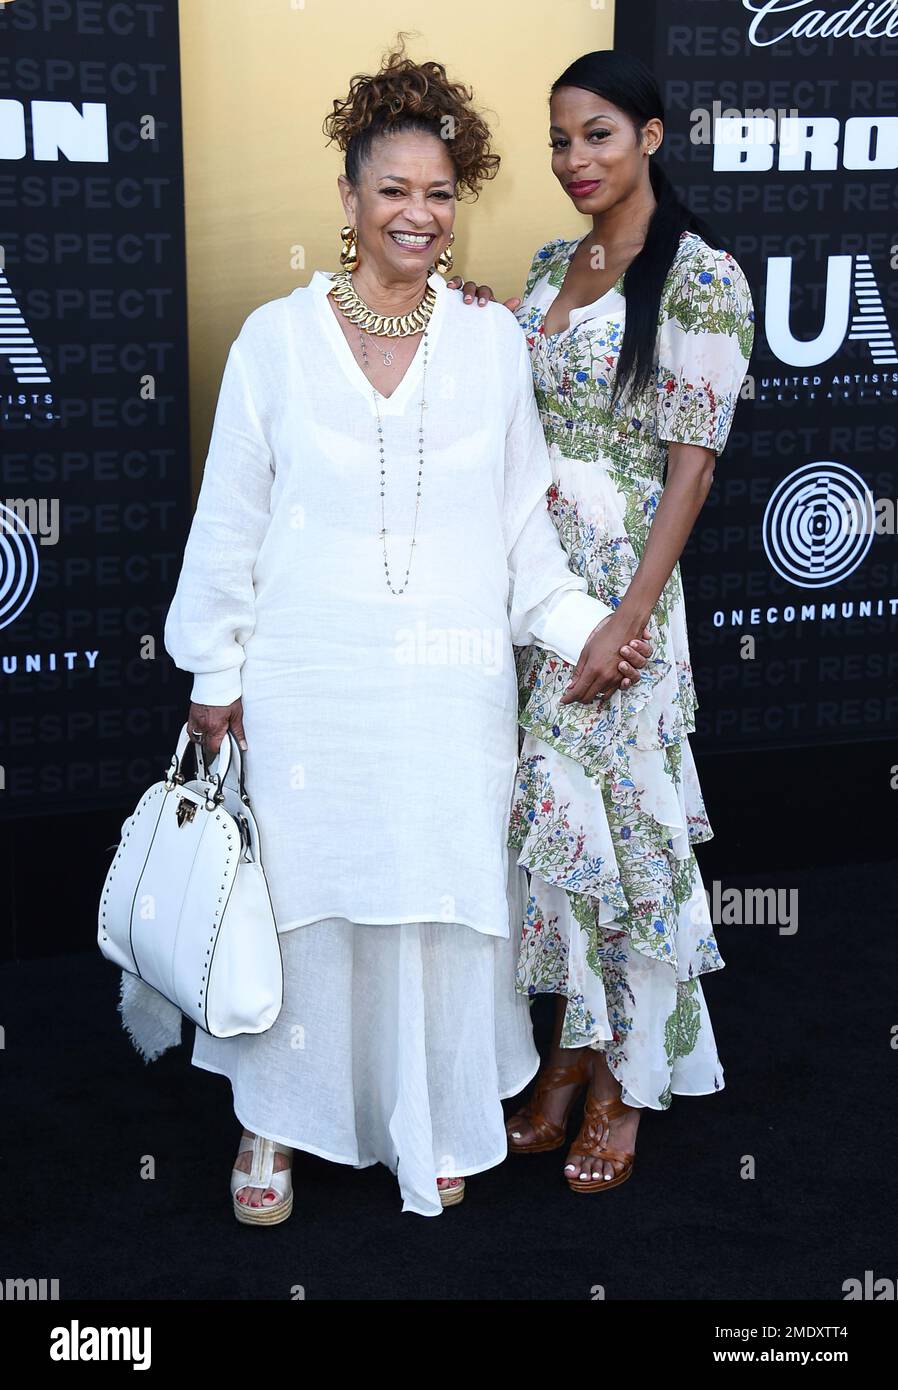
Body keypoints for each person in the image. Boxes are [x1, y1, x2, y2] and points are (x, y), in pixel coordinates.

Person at [117, 40, 653, 1221]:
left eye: (440, 192)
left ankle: (435, 1109)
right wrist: (214, 664)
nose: (419, 213)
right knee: (310, 901)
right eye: (394, 190)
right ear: (349, 199)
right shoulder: (273, 341)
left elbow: (524, 534)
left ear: (460, 207)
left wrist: (586, 628)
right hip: (310, 682)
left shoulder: (489, 344)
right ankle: (273, 1124)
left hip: (451, 689)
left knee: (436, 903)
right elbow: (232, 518)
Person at [447, 49, 755, 1193]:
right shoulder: (546, 264)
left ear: (653, 137)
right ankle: (568, 1055)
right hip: (532, 593)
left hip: (623, 598)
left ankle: (627, 1081)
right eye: (562, 139)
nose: (577, 159)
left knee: (627, 839)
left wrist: (626, 621)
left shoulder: (700, 276)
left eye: (600, 136)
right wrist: (491, 319)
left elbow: (692, 467)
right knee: (557, 839)